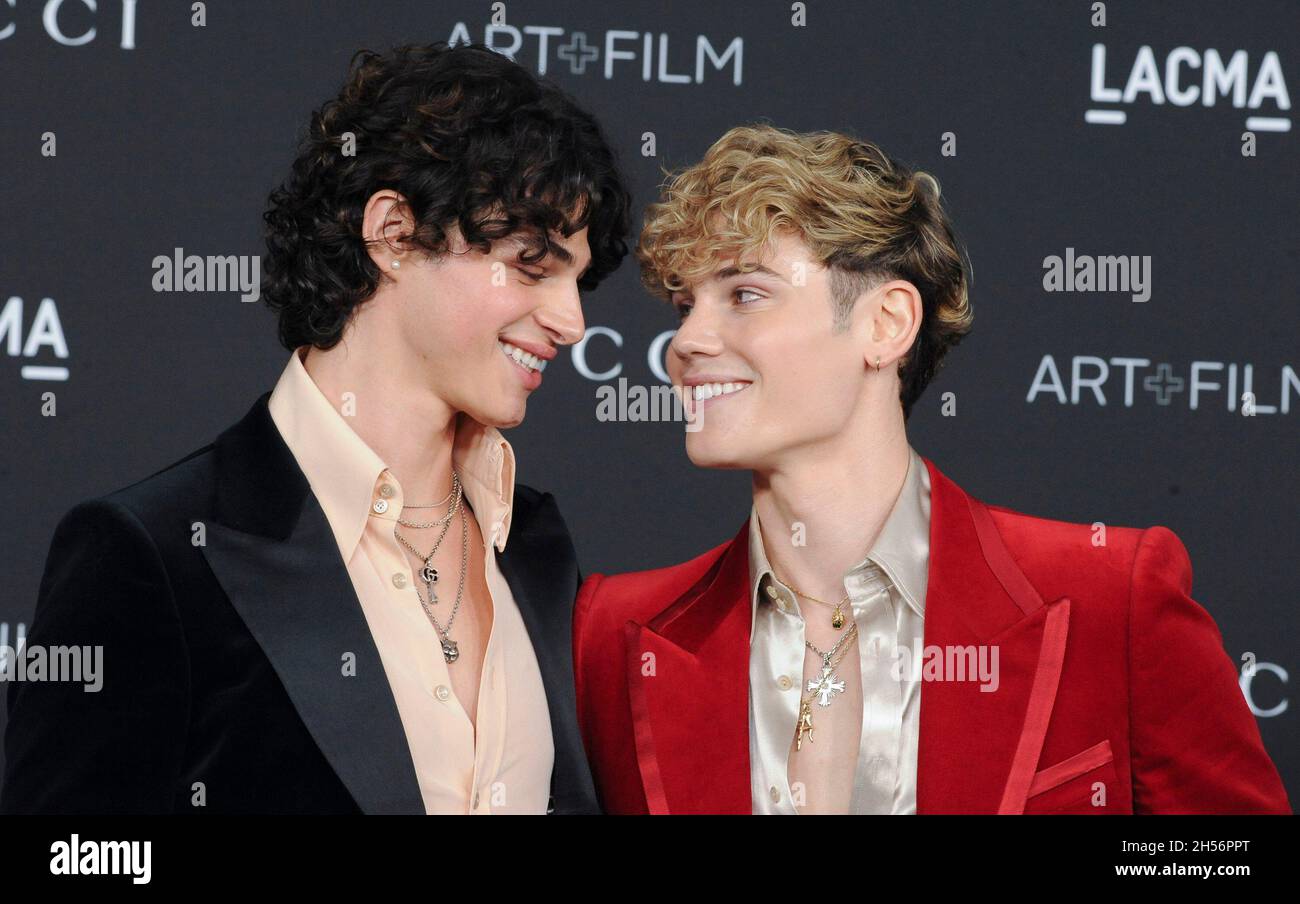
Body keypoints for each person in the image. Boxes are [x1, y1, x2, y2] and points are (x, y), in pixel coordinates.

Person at [572, 124, 1290, 815]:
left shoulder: (1109, 598)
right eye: (683, 306)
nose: (687, 343)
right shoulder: (614, 634)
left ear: (886, 324)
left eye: (745, 294)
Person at [2, 42, 631, 814]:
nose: (571, 321)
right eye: (533, 266)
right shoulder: (156, 553)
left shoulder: (533, 548)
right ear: (393, 233)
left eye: (579, 279)